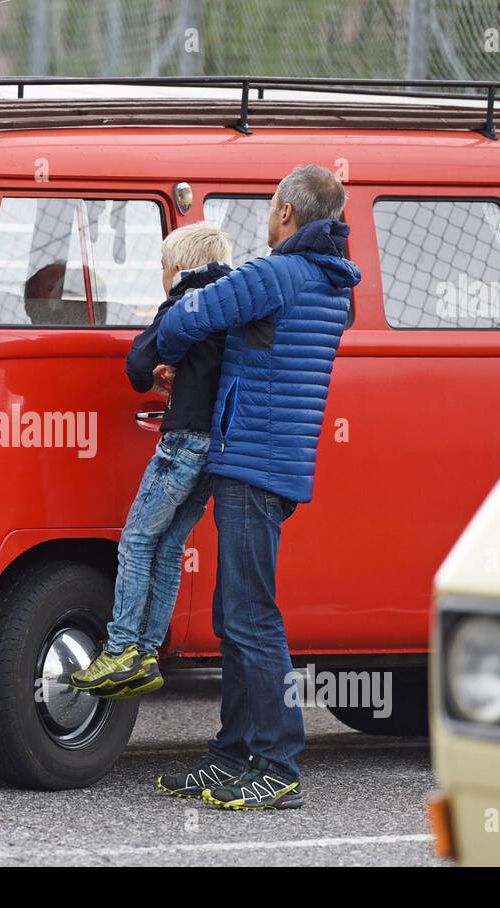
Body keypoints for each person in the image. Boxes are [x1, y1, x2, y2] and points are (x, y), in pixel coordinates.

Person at [153, 165, 361, 810]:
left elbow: (190, 314)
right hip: (276, 463)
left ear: (288, 216)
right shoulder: (331, 287)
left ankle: (277, 762)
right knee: (236, 615)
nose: (267, 221)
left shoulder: (276, 275)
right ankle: (231, 756)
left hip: (249, 462)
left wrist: (165, 339)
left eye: (271, 209)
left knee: (252, 618)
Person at [69, 222, 233, 699]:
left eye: (162, 269)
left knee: (138, 540)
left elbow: (138, 364)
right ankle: (145, 651)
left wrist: (157, 373)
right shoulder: (231, 303)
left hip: (182, 442)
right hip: (215, 446)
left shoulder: (186, 296)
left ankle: (120, 649)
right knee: (169, 545)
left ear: (178, 268)